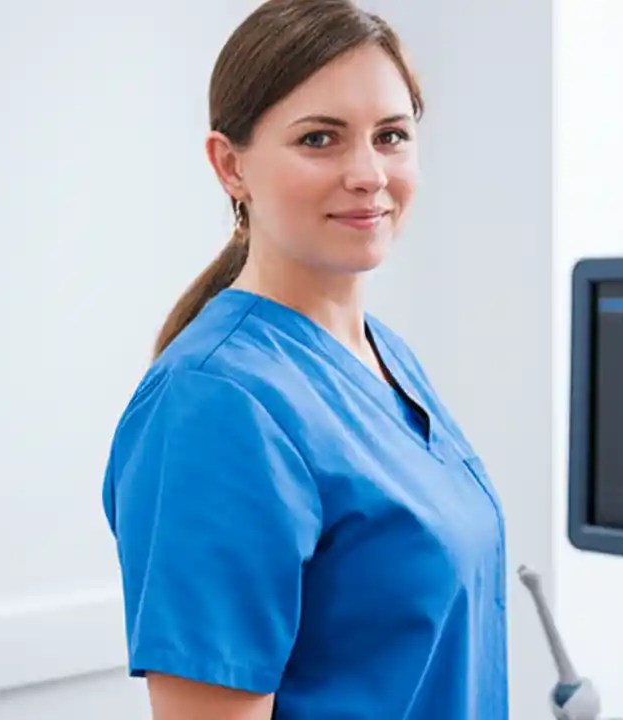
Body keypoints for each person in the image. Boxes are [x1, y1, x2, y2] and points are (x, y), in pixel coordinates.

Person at [100, 1, 508, 718]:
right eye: (320, 139)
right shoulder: (215, 404)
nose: (368, 173)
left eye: (391, 136)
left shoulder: (387, 356)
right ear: (231, 165)